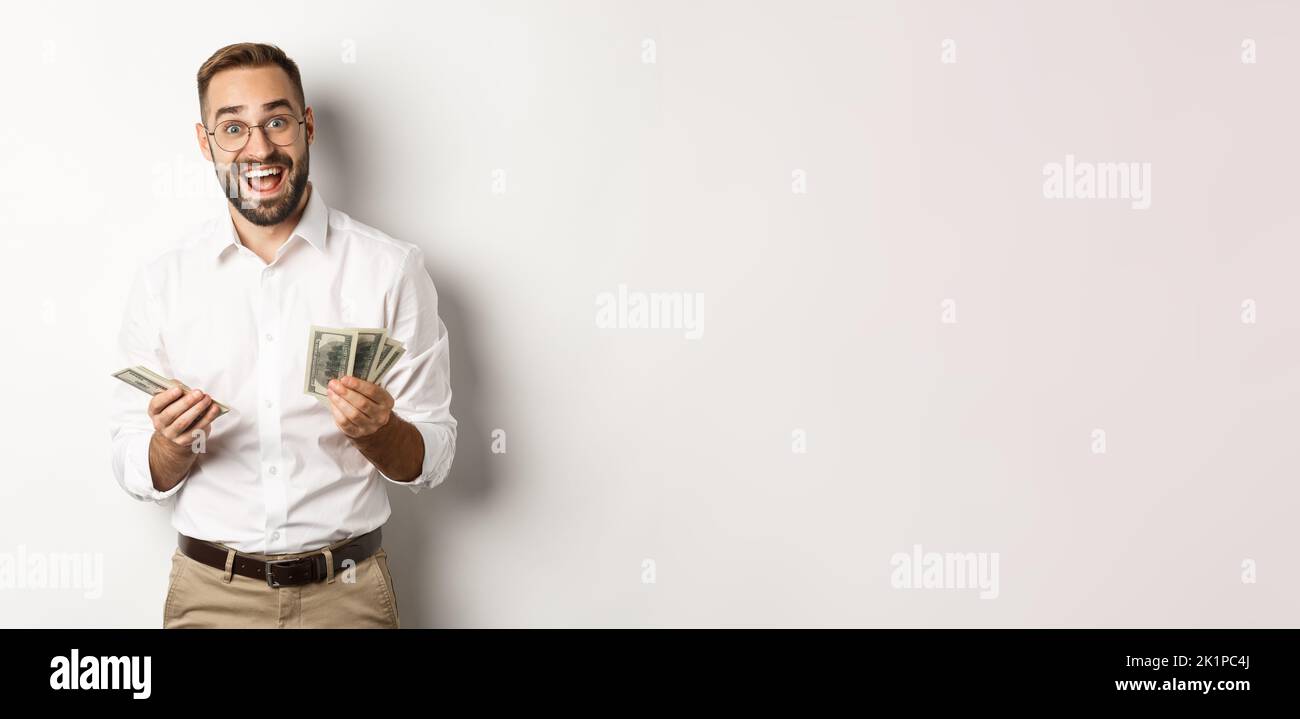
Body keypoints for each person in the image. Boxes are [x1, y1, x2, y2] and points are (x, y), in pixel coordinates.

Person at [107, 42, 456, 628]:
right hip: (209, 596)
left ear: (307, 126)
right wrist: (168, 446)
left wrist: (383, 433)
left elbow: (435, 455)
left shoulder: (390, 269)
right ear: (205, 142)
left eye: (276, 121)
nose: (260, 148)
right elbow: (129, 461)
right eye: (233, 127)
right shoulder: (163, 280)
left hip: (348, 596)